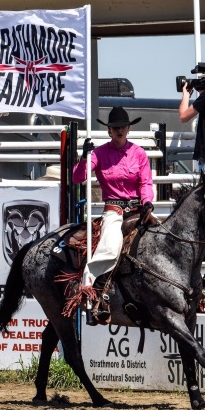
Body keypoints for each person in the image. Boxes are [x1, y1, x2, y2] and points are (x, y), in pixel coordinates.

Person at [73, 107, 156, 324]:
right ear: (110, 130)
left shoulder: (139, 153)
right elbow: (78, 177)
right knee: (110, 247)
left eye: (122, 127)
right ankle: (94, 286)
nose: (119, 130)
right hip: (114, 210)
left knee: (162, 238)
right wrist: (84, 157)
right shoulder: (98, 154)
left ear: (128, 128)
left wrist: (147, 202)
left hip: (139, 209)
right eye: (115, 127)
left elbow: (145, 182)